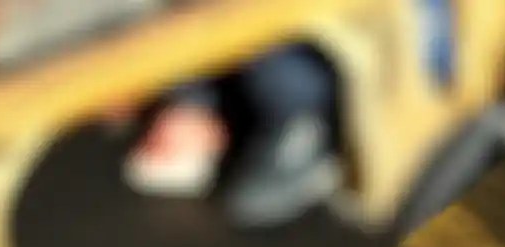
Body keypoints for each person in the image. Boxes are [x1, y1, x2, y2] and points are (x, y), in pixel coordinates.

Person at [123, 45, 341, 228]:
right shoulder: (281, 95)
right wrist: (190, 102)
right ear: (214, 144)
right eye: (164, 145)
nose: (159, 130)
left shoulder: (185, 92)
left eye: (150, 139)